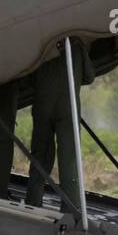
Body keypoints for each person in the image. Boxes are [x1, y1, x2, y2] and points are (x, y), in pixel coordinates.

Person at [24, 39, 95, 211]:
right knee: (68, 158)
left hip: (42, 105)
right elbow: (89, 77)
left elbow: (28, 79)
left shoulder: (40, 42)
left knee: (40, 154)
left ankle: (33, 200)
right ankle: (70, 206)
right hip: (67, 106)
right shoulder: (77, 45)